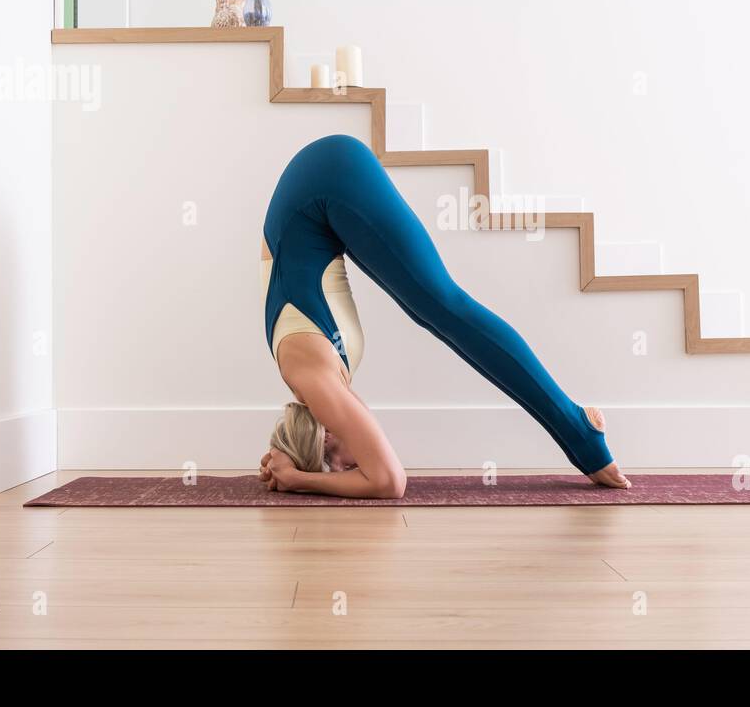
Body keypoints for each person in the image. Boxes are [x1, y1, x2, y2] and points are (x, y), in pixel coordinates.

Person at [258, 134, 629, 497]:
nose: (346, 472)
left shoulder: (316, 382)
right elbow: (368, 450)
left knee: (445, 306)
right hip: (317, 191)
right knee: (435, 311)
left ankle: (580, 432)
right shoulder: (319, 385)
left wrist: (300, 480)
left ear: (324, 435)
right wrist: (288, 457)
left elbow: (388, 481)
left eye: (337, 467)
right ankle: (577, 432)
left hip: (326, 175)